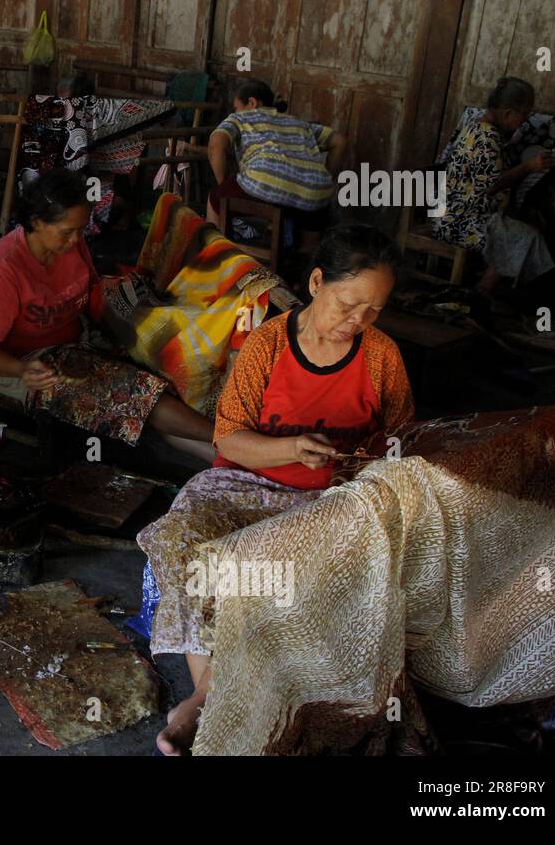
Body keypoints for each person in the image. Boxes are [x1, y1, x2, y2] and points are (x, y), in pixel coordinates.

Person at [137, 223, 414, 755]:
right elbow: (229, 437)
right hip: (246, 481)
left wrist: (369, 465)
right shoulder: (266, 342)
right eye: (347, 304)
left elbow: (403, 442)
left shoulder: (382, 357)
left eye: (373, 310)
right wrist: (290, 450)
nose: (357, 321)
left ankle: (213, 702)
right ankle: (206, 693)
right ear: (316, 282)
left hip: (330, 503)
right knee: (184, 539)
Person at [0, 167, 216, 459]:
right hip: (22, 366)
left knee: (162, 368)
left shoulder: (70, 246)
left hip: (76, 341)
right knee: (134, 392)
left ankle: (226, 457)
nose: (76, 240)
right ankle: (229, 440)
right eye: (67, 232)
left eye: (81, 229)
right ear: (36, 222)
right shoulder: (0, 270)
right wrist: (23, 370)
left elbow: (92, 292)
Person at [432, 76, 554, 295]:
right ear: (508, 113)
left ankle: (487, 291)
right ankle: (481, 293)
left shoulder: (476, 127)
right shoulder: (486, 136)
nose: (524, 121)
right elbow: (490, 186)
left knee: (525, 224)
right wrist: (528, 167)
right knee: (524, 237)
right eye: (523, 115)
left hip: (452, 214)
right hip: (459, 222)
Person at [206, 78, 348, 255]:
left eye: (236, 106)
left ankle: (215, 254)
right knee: (310, 240)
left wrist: (223, 183)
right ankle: (302, 272)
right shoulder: (297, 122)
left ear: (252, 102)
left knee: (215, 199)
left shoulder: (240, 118)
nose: (234, 111)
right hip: (313, 190)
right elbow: (339, 141)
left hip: (263, 181)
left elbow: (216, 144)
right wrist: (324, 178)